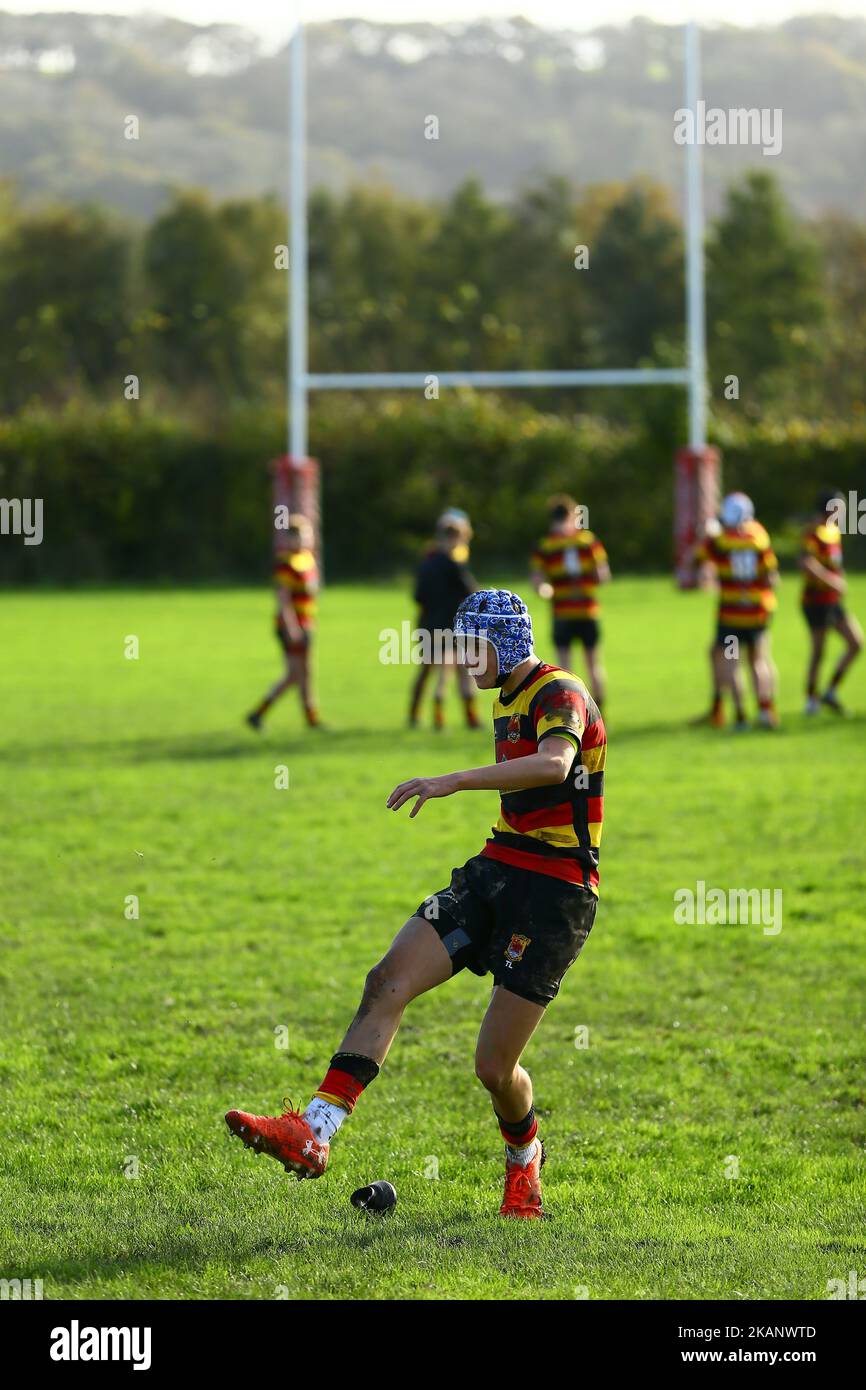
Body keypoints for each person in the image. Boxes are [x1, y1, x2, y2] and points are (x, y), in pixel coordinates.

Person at [227, 589, 606, 1219]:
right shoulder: (506, 697)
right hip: (497, 868)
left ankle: (524, 1160)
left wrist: (450, 780)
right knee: (387, 981)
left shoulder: (557, 690)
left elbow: (554, 763)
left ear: (504, 644)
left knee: (493, 1067)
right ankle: (314, 1134)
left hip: (556, 894)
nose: (461, 661)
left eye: (469, 647)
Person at [692, 492, 779, 730]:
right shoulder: (759, 537)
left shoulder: (720, 541)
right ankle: (765, 711)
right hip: (757, 611)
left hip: (731, 613)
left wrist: (705, 535)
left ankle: (740, 716)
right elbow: (772, 577)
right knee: (759, 661)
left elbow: (696, 560)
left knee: (732, 662)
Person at [530, 495, 610, 710]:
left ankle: (570, 713)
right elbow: (603, 575)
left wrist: (550, 590)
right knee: (593, 665)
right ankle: (600, 715)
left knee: (564, 667)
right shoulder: (587, 541)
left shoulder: (546, 546)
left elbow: (538, 583)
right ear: (574, 515)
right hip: (587, 611)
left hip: (562, 612)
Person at [246, 514, 320, 731]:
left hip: (307, 623)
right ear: (290, 538)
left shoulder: (308, 559)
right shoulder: (285, 563)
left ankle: (312, 718)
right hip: (291, 626)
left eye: (307, 535)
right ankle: (258, 713)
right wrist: (291, 627)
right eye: (300, 536)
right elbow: (283, 598)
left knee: (306, 672)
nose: (305, 540)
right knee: (294, 674)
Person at [408, 508, 480, 730]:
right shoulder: (454, 565)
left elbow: (417, 596)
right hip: (453, 625)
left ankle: (415, 715)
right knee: (462, 671)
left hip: (428, 624)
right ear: (455, 538)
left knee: (427, 669)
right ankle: (470, 717)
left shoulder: (426, 562)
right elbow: (472, 593)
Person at [801, 489, 863, 715]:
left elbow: (835, 565)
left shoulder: (833, 532)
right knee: (818, 651)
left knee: (856, 643)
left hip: (833, 601)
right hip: (816, 601)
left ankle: (831, 692)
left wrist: (839, 579)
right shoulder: (813, 533)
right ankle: (811, 699)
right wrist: (833, 581)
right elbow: (807, 563)